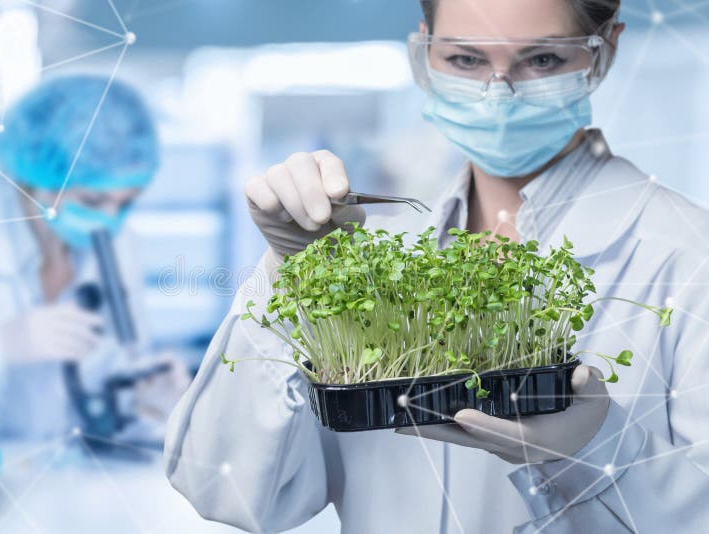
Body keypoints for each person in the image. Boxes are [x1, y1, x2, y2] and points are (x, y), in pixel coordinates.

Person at [165, 0, 709, 532]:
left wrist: (598, 448)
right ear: (423, 51)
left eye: (541, 60)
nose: (499, 94)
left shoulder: (688, 256)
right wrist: (289, 273)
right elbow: (227, 491)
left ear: (606, 47)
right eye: (466, 60)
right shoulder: (376, 254)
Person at [0, 75, 162, 440]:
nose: (109, 219)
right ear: (33, 179)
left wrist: (153, 401)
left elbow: (121, 371)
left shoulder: (120, 246)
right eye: (92, 201)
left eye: (126, 202)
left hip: (78, 482)